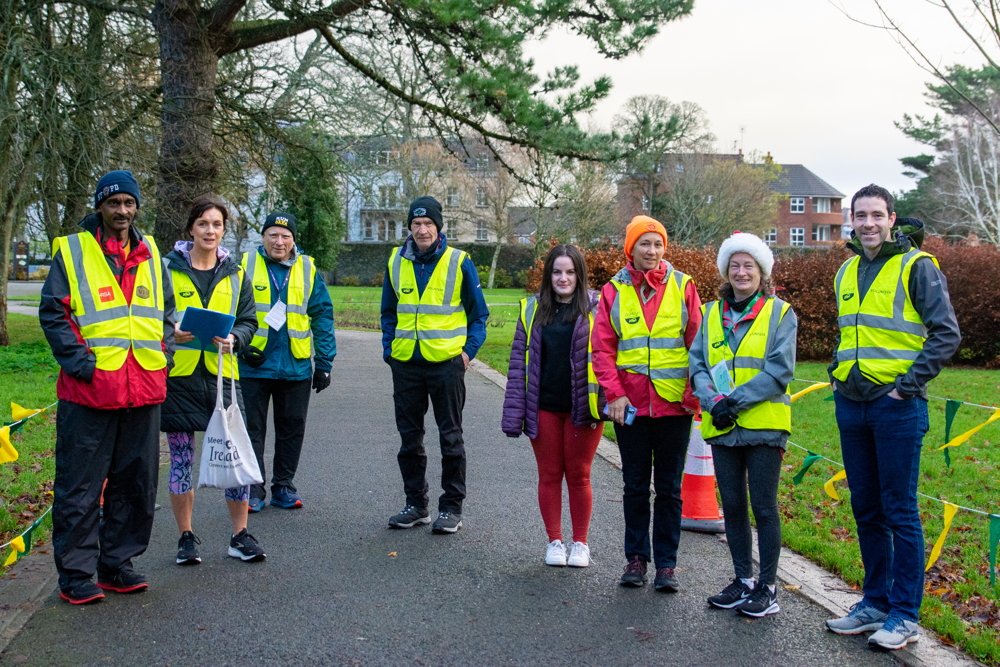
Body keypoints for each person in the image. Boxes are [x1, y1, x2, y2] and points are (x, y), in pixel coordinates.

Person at [825, 185, 960, 649]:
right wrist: (836, 373)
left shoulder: (916, 266)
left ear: (891, 218)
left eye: (876, 215)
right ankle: (875, 603)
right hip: (852, 403)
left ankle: (904, 615)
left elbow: (945, 334)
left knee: (900, 510)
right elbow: (850, 333)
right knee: (866, 509)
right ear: (851, 219)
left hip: (896, 405)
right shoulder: (845, 269)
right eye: (860, 215)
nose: (867, 223)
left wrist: (908, 385)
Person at [39, 170, 175, 604]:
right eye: (114, 203)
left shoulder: (151, 250)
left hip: (143, 387)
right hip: (90, 391)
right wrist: (82, 365)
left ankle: (118, 564)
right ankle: (76, 575)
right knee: (80, 487)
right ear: (100, 206)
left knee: (135, 485)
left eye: (129, 204)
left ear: (137, 207)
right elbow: (54, 313)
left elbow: (166, 313)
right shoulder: (74, 250)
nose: (122, 211)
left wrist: (165, 355)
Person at [591, 215, 702, 591]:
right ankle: (636, 559)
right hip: (631, 406)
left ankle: (667, 566)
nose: (652, 251)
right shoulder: (613, 291)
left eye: (658, 244)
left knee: (669, 488)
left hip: (675, 407)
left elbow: (697, 344)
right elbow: (602, 349)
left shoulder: (684, 286)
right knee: (635, 485)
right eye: (645, 244)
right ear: (631, 249)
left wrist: (694, 393)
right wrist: (615, 394)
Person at [689, 232, 797, 617]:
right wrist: (712, 401)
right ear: (725, 271)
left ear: (761, 271)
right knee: (733, 506)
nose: (741, 271)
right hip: (723, 426)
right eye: (734, 265)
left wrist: (732, 402)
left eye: (748, 265)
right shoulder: (712, 312)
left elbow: (779, 371)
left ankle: (768, 587)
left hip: (764, 426)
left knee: (764, 508)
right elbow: (697, 363)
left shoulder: (781, 313)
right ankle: (742, 580)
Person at [161, 197, 266, 564]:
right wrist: (170, 332)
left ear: (224, 230)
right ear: (190, 228)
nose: (210, 230)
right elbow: (147, 317)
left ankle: (240, 536)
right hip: (179, 378)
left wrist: (235, 338)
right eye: (203, 223)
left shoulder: (237, 274)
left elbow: (250, 321)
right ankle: (186, 538)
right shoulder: (166, 270)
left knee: (234, 455)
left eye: (216, 224)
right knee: (181, 460)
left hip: (224, 378)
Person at [382, 196, 490, 534]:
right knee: (409, 439)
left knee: (451, 438)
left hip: (446, 364)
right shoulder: (396, 261)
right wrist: (389, 350)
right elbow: (388, 312)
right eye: (416, 224)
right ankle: (416, 505)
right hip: (406, 365)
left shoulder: (460, 262)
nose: (422, 229)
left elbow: (479, 316)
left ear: (438, 227)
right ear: (409, 228)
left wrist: (467, 353)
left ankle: (451, 508)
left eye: (428, 223)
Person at [502, 245, 605, 567]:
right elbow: (518, 363)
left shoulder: (598, 308)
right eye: (557, 272)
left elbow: (608, 359)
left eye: (570, 272)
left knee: (579, 476)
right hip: (543, 407)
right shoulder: (532, 310)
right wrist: (514, 412)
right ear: (549, 275)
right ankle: (555, 542)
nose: (564, 278)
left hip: (582, 409)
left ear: (580, 275)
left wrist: (604, 402)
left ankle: (581, 544)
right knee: (548, 474)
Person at [238, 211, 336, 512]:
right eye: (273, 235)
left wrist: (325, 362)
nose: (279, 242)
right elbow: (228, 308)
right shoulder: (244, 265)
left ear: (294, 240)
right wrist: (238, 343)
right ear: (263, 237)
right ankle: (253, 489)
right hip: (253, 363)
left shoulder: (307, 269)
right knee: (251, 430)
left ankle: (283, 486)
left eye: (285, 236)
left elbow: (322, 314)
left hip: (295, 366)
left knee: (292, 428)